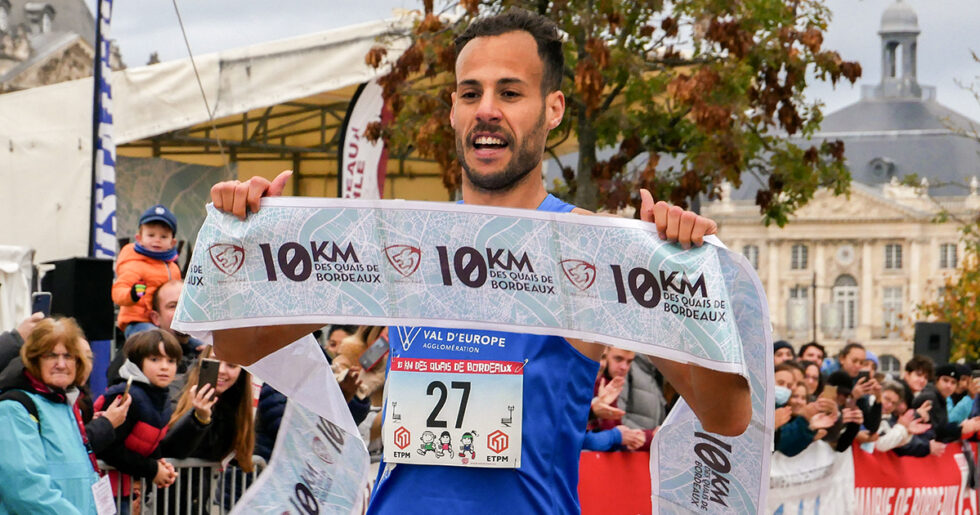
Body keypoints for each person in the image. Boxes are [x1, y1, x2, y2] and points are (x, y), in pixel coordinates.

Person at [208, 9, 750, 513]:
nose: (487, 108)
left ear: (553, 109)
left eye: (510, 92)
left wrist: (682, 277)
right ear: (453, 110)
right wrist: (243, 240)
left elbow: (727, 416)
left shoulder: (590, 246)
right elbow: (237, 344)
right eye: (472, 93)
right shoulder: (408, 239)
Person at [0, 317, 101, 514]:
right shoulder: (15, 408)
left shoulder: (66, 406)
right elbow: (26, 489)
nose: (61, 364)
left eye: (69, 356)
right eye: (50, 355)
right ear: (34, 360)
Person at [161, 346, 255, 512]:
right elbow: (172, 450)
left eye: (232, 365)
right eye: (215, 361)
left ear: (242, 372)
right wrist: (197, 418)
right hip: (160, 501)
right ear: (203, 361)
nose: (222, 370)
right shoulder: (175, 389)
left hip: (195, 502)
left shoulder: (234, 405)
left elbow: (214, 453)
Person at [95, 330, 181, 501]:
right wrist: (152, 469)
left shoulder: (162, 399)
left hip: (125, 491)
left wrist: (159, 463)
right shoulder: (123, 396)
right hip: (102, 490)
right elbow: (107, 448)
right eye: (155, 359)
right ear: (137, 362)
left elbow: (145, 443)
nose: (165, 366)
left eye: (171, 360)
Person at [111, 204, 182, 338]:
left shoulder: (173, 268)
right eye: (151, 235)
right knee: (157, 339)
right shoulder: (134, 263)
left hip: (164, 324)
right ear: (139, 239)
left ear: (172, 243)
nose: (157, 240)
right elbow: (117, 291)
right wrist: (132, 295)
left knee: (198, 344)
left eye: (163, 236)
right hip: (138, 322)